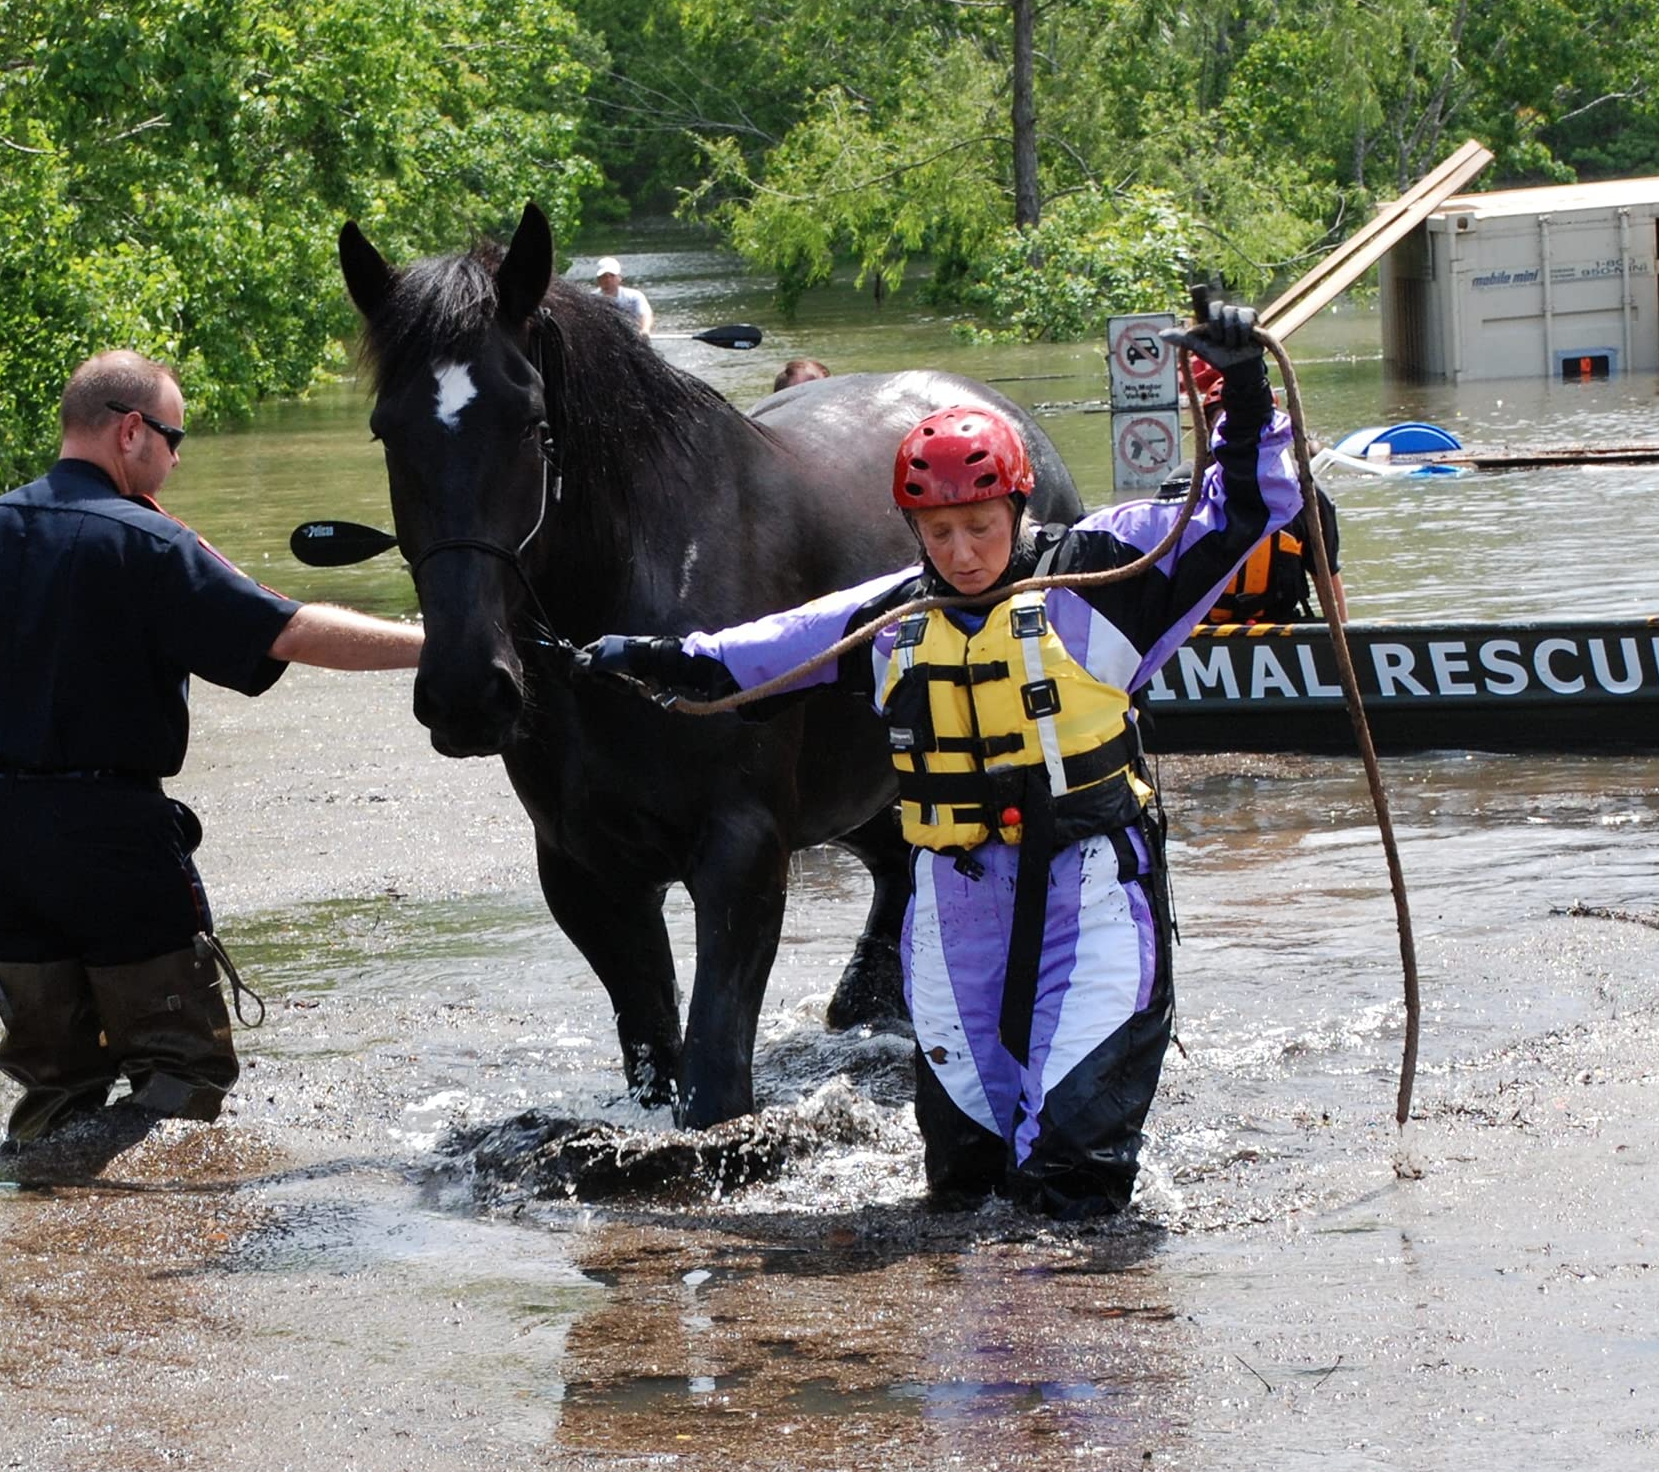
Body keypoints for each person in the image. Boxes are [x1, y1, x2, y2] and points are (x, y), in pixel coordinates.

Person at [572, 307, 1301, 1216]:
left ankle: (1089, 1345)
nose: (960, 553)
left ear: (1018, 508)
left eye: (980, 527)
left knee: (1069, 1184)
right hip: (955, 921)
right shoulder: (886, 620)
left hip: (1094, 903)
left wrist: (1243, 394)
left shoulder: (1106, 579)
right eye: (939, 531)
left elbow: (1244, 512)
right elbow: (749, 654)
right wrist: (642, 658)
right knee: (964, 1190)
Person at [0, 350, 424, 1149]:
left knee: (54, 1081)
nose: (178, 457)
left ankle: (43, 1226)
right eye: (173, 436)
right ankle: (131, 1233)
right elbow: (287, 630)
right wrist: (438, 645)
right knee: (181, 1069)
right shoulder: (148, 541)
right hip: (110, 836)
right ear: (131, 431)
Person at [1172, 357, 1344, 624]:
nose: (1238, 437)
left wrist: (1344, 638)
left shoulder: (1305, 490)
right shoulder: (1186, 484)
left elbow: (1326, 576)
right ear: (1209, 429)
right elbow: (1158, 571)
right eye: (1226, 425)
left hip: (1279, 625)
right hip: (1201, 631)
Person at [592, 257, 655, 337]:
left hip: (632, 336)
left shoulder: (634, 296)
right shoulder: (591, 299)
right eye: (604, 276)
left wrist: (645, 330)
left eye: (612, 275)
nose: (608, 280)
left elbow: (645, 314)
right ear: (598, 280)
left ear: (619, 278)